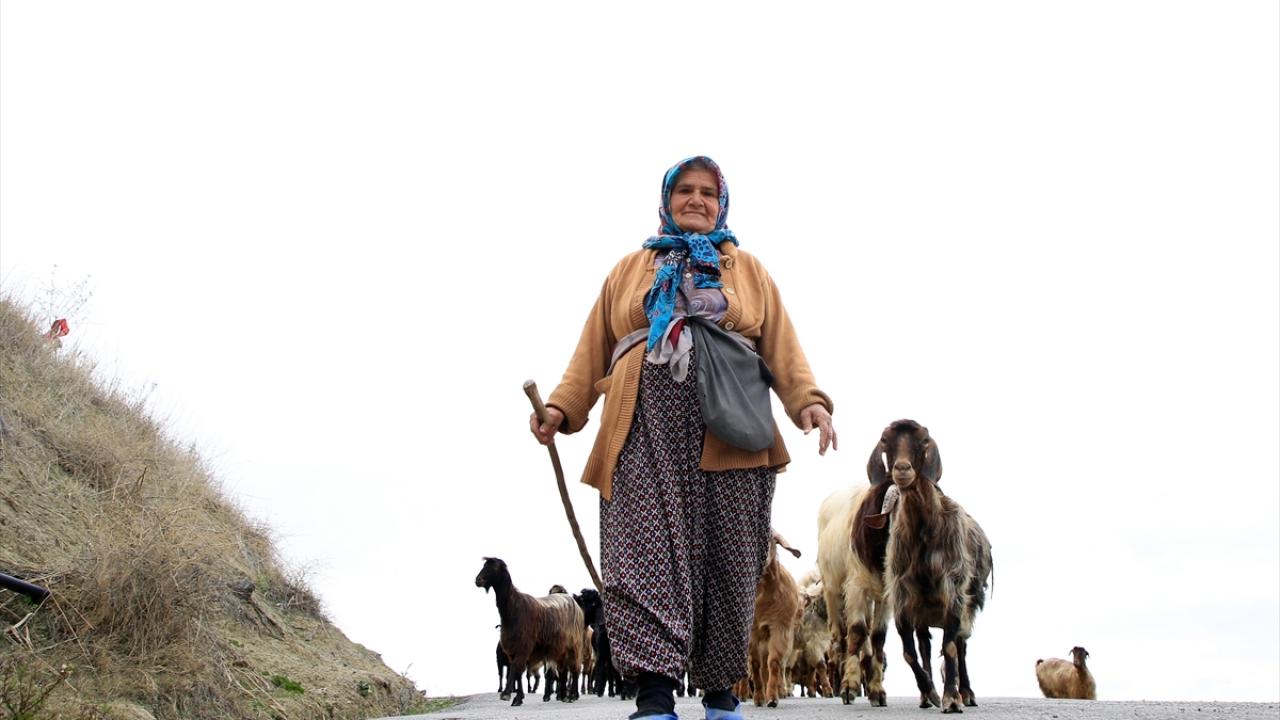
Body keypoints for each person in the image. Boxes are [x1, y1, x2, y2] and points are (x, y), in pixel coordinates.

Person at [529, 156, 836, 720]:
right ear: (667, 200)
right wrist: (559, 408)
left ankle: (721, 695)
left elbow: (783, 348)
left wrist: (809, 402)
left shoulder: (746, 268)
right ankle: (653, 697)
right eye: (685, 191)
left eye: (707, 192)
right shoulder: (630, 268)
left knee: (732, 558)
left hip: (734, 430)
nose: (696, 200)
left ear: (722, 203)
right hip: (641, 430)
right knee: (641, 553)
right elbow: (590, 351)